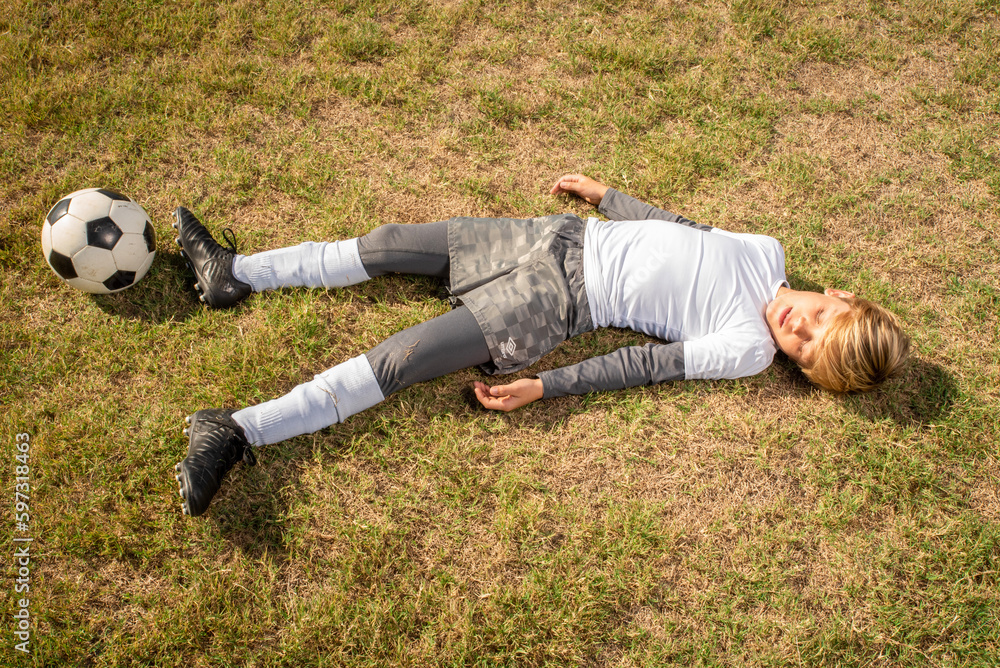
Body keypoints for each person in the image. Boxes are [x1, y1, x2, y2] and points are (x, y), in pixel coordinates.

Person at [171, 174, 910, 516]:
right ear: (838, 294)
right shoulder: (767, 250)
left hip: (557, 303)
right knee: (389, 243)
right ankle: (234, 273)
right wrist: (607, 197)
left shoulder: (747, 348)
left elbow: (643, 365)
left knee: (404, 358)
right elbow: (684, 231)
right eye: (820, 319)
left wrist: (546, 385)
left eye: (805, 354)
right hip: (557, 236)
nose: (798, 331)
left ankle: (236, 430)